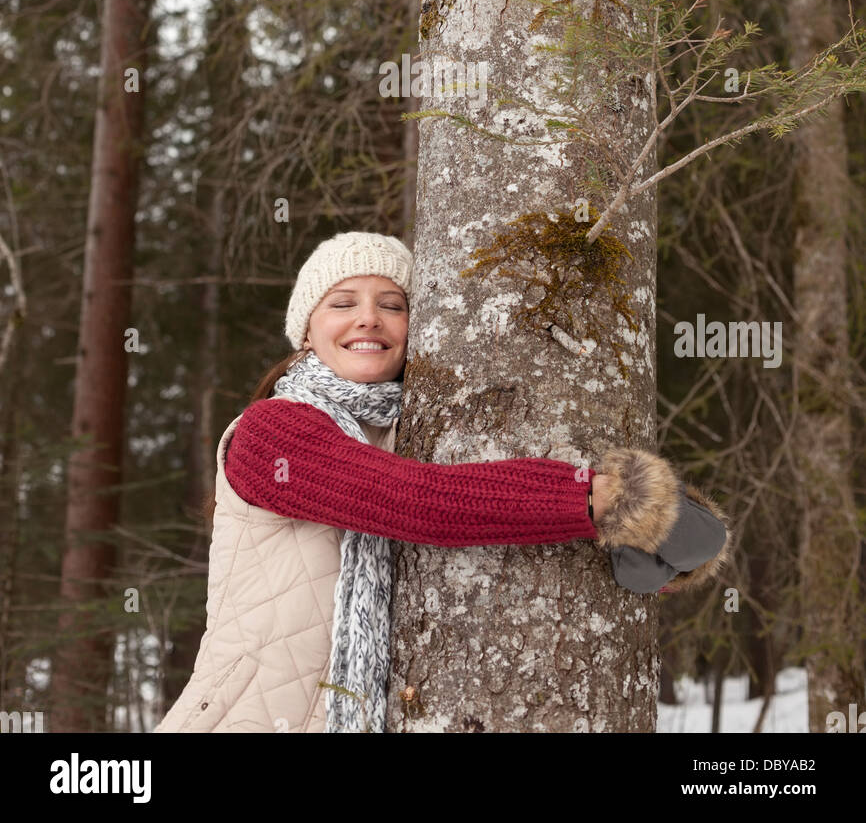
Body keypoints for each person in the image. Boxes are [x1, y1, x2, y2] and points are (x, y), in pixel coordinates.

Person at [152, 231, 729, 735]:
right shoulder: (273, 431)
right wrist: (596, 497)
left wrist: (667, 533)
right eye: (342, 302)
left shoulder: (415, 430)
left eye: (393, 304)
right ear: (305, 332)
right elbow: (416, 500)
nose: (368, 318)